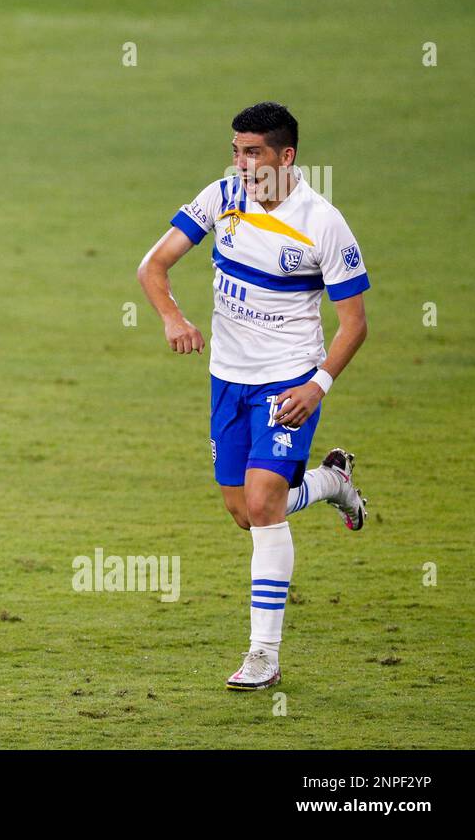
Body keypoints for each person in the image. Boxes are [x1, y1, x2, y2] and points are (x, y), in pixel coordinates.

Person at [136, 101, 370, 692]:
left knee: (265, 504)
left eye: (254, 153)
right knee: (244, 511)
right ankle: (330, 483)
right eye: (236, 151)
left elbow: (353, 324)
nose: (241, 163)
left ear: (286, 157)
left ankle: (263, 654)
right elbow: (153, 266)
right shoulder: (221, 198)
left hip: (287, 380)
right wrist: (173, 319)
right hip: (227, 378)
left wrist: (317, 386)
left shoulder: (323, 223)